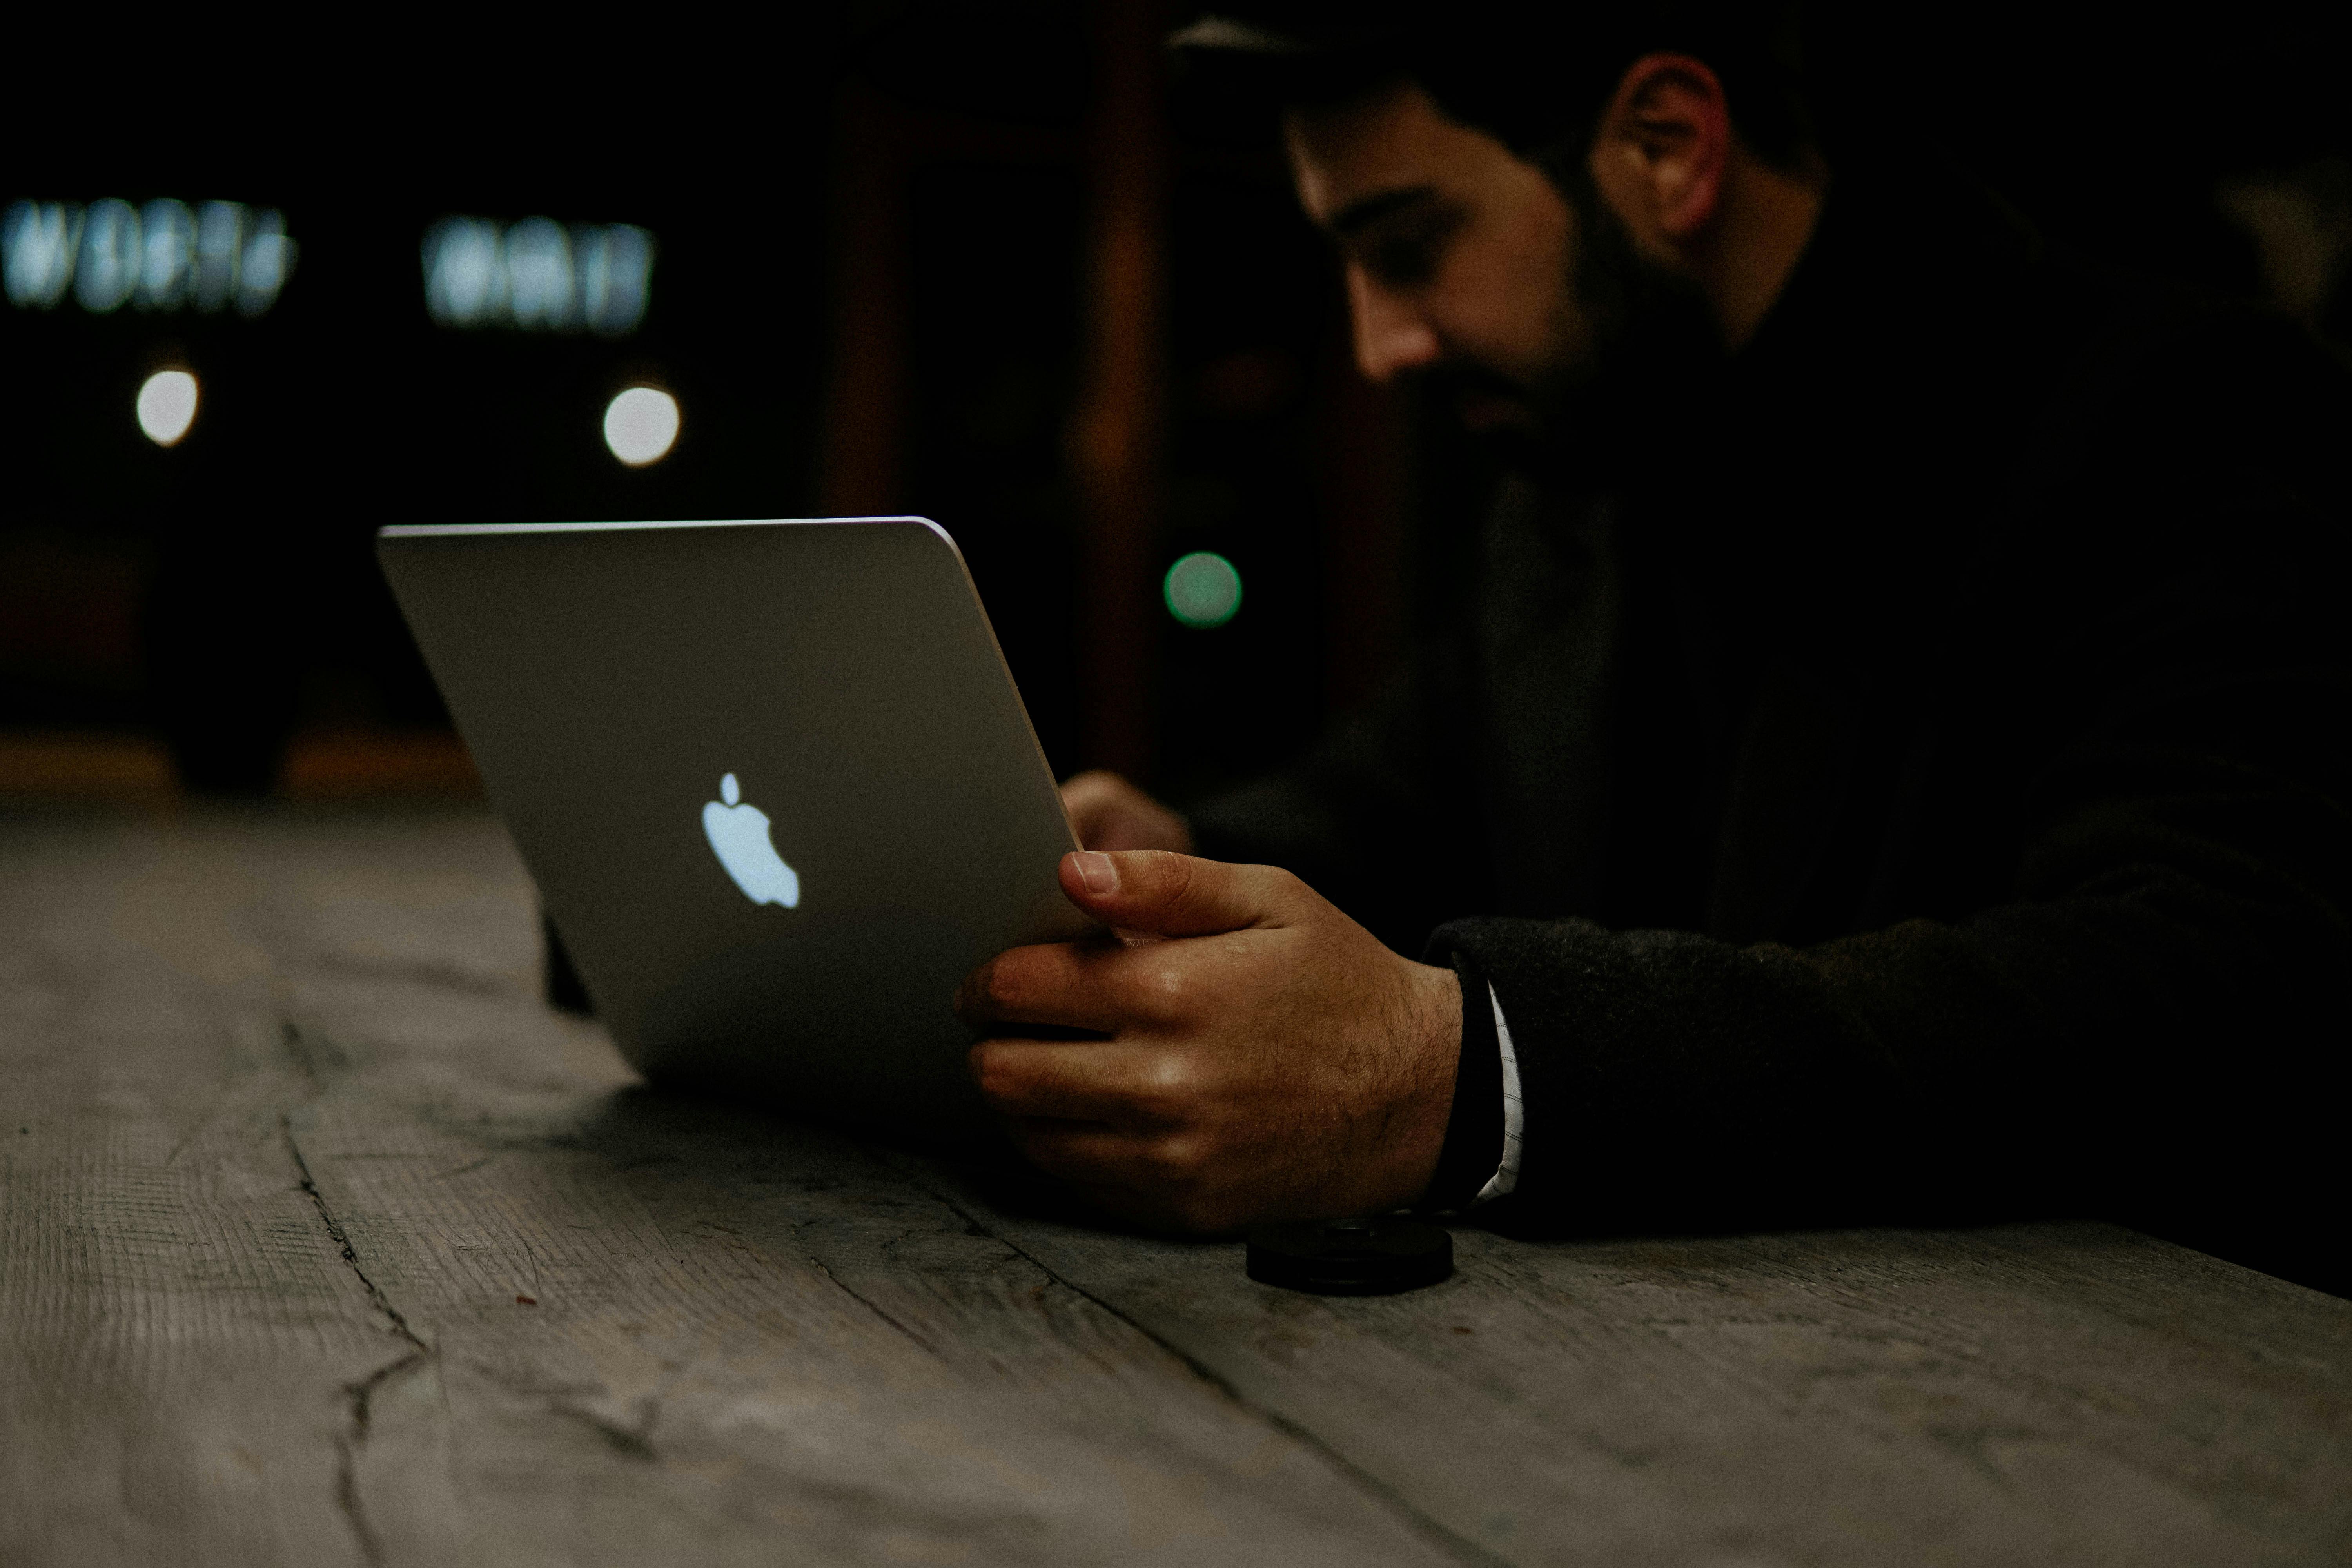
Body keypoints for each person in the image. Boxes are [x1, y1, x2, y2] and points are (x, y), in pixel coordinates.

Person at [952, 3, 2352, 1295]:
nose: (1379, 346)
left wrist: (1465, 1075)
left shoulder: (2179, 421)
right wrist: (1153, 866)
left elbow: (2207, 981)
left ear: (1669, 148)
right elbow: (1398, 795)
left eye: (1409, 245)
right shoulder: (1590, 469)